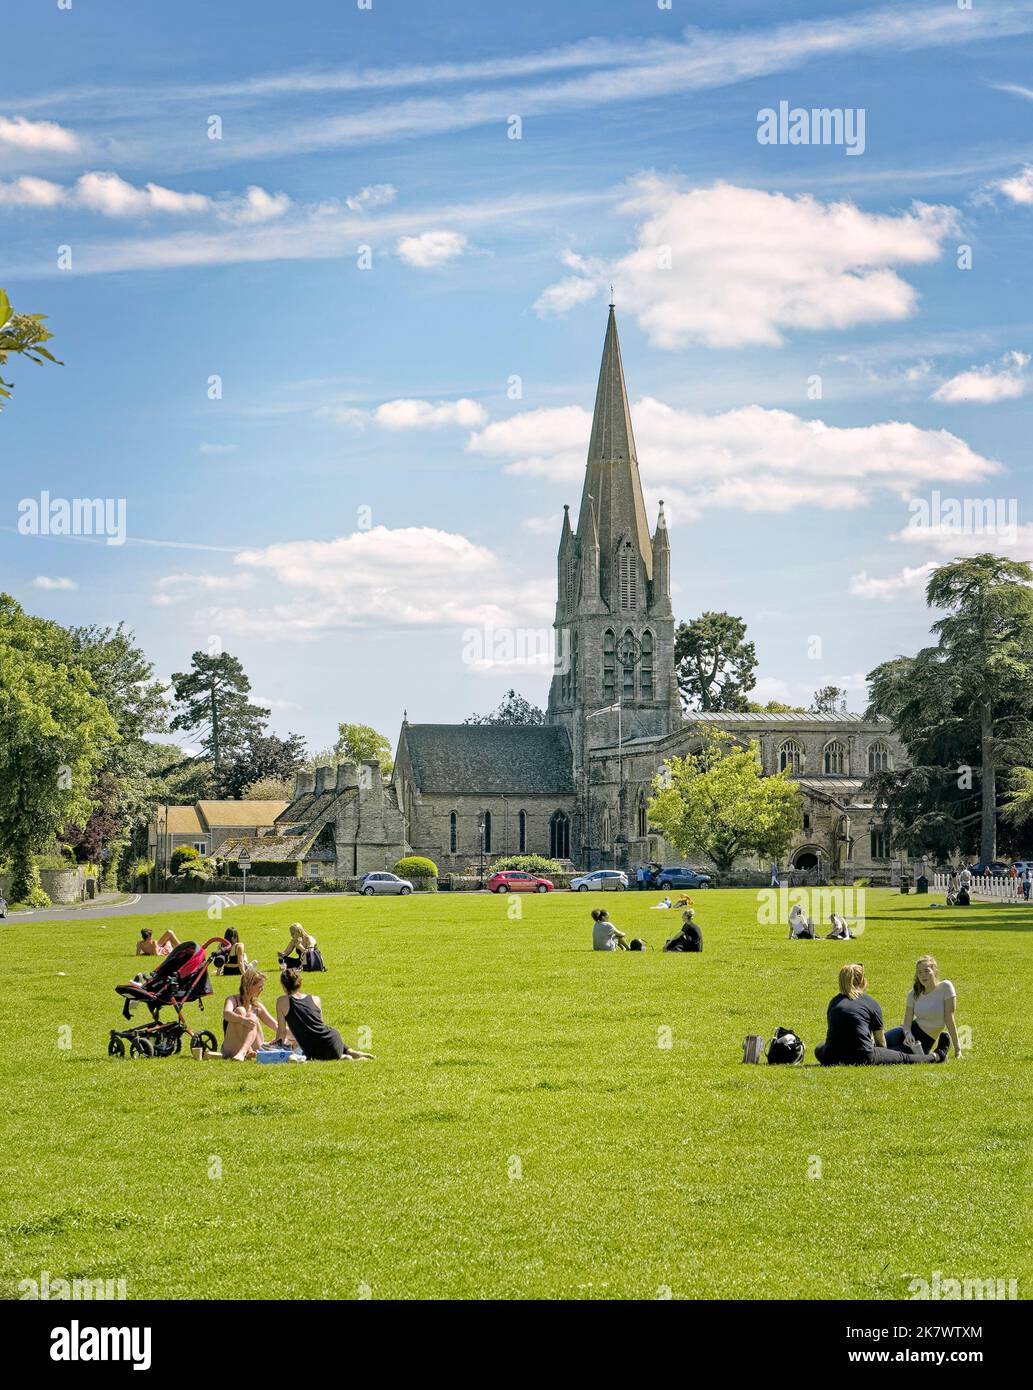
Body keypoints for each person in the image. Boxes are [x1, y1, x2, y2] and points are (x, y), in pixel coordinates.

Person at [815, 963, 950, 1067]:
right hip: (863, 1056)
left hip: (831, 1057)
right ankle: (937, 1056)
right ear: (862, 981)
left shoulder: (833, 1002)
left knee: (819, 1048)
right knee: (903, 1057)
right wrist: (883, 1053)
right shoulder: (870, 1002)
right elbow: (881, 1043)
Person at [274, 967, 374, 1060]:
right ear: (299, 983)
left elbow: (282, 1033)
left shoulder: (281, 1002)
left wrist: (274, 1047)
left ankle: (345, 1057)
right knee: (325, 1041)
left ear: (283, 985)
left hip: (316, 1049)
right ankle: (350, 1051)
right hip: (333, 1038)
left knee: (315, 1051)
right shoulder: (315, 999)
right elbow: (319, 1026)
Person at [886, 955, 963, 1060]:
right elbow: (907, 1023)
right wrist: (908, 1034)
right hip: (905, 1034)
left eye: (927, 971)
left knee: (886, 1054)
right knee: (876, 1044)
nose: (923, 975)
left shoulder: (946, 987)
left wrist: (958, 1050)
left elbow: (949, 1019)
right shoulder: (913, 994)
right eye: (919, 972)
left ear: (935, 971)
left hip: (924, 1042)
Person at [220, 967, 277, 1061]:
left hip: (255, 1049)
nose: (262, 989)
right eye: (260, 986)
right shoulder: (232, 1000)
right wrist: (243, 1020)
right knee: (240, 1011)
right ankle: (244, 1052)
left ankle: (245, 1052)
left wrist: (295, 1035)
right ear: (248, 985)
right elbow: (226, 1014)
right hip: (232, 1045)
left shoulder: (257, 1006)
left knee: (252, 1016)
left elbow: (275, 1025)